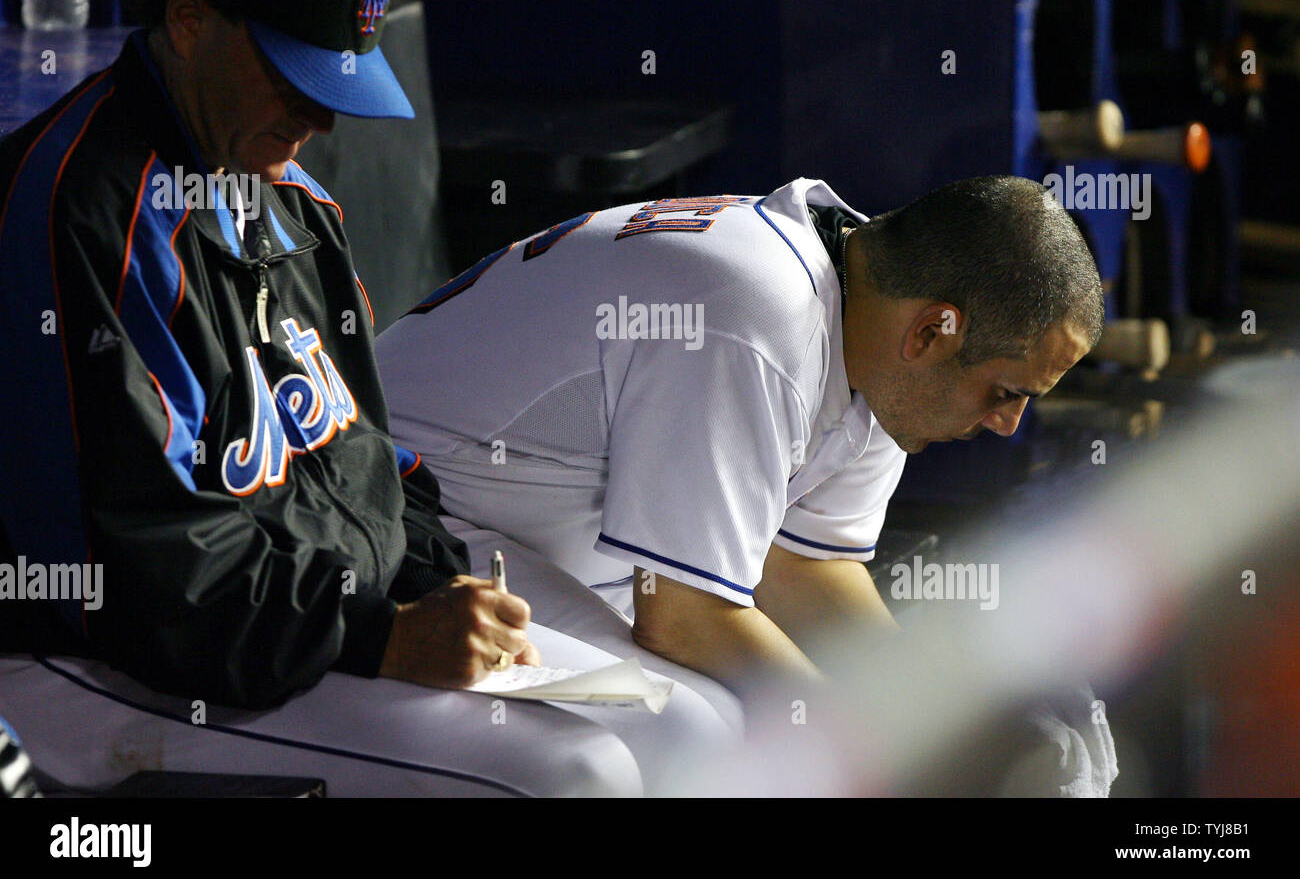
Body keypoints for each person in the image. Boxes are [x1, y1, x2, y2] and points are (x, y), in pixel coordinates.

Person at [0, 0, 733, 798]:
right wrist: (380, 635)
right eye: (291, 74)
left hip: (296, 629)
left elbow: (364, 465)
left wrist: (436, 585)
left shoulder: (294, 206)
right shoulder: (78, 207)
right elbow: (129, 573)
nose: (318, 120)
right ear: (189, 20)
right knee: (574, 775)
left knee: (692, 735)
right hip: (99, 665)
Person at [376, 176, 1105, 704]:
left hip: (532, 537)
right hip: (396, 506)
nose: (1009, 424)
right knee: (694, 729)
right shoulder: (756, 313)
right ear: (931, 331)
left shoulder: (879, 329)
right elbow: (684, 613)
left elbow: (798, 567)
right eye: (1006, 393)